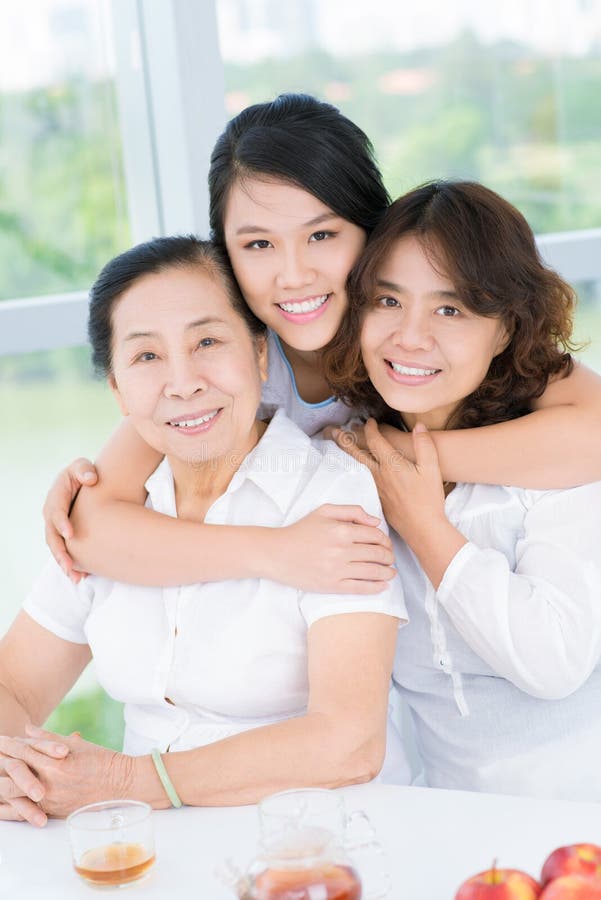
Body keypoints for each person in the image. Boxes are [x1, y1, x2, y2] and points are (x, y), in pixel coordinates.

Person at [43, 93, 601, 591]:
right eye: (259, 244)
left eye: (322, 235)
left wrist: (390, 454)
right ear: (225, 257)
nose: (294, 275)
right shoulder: (230, 364)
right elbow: (91, 529)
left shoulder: (409, 343)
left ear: (373, 229)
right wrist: (274, 554)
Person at [0, 236, 407, 828]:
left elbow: (349, 742)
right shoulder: (107, 518)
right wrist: (16, 770)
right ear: (116, 389)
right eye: (146, 358)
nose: (183, 382)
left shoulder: (332, 493)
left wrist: (126, 782)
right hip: (149, 849)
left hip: (320, 841)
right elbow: (13, 683)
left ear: (261, 356)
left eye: (208, 342)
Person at [325, 180, 601, 801]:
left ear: (505, 330)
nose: (411, 337)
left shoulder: (555, 465)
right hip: (445, 828)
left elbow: (553, 662)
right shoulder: (344, 457)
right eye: (387, 302)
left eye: (450, 310)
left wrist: (426, 528)